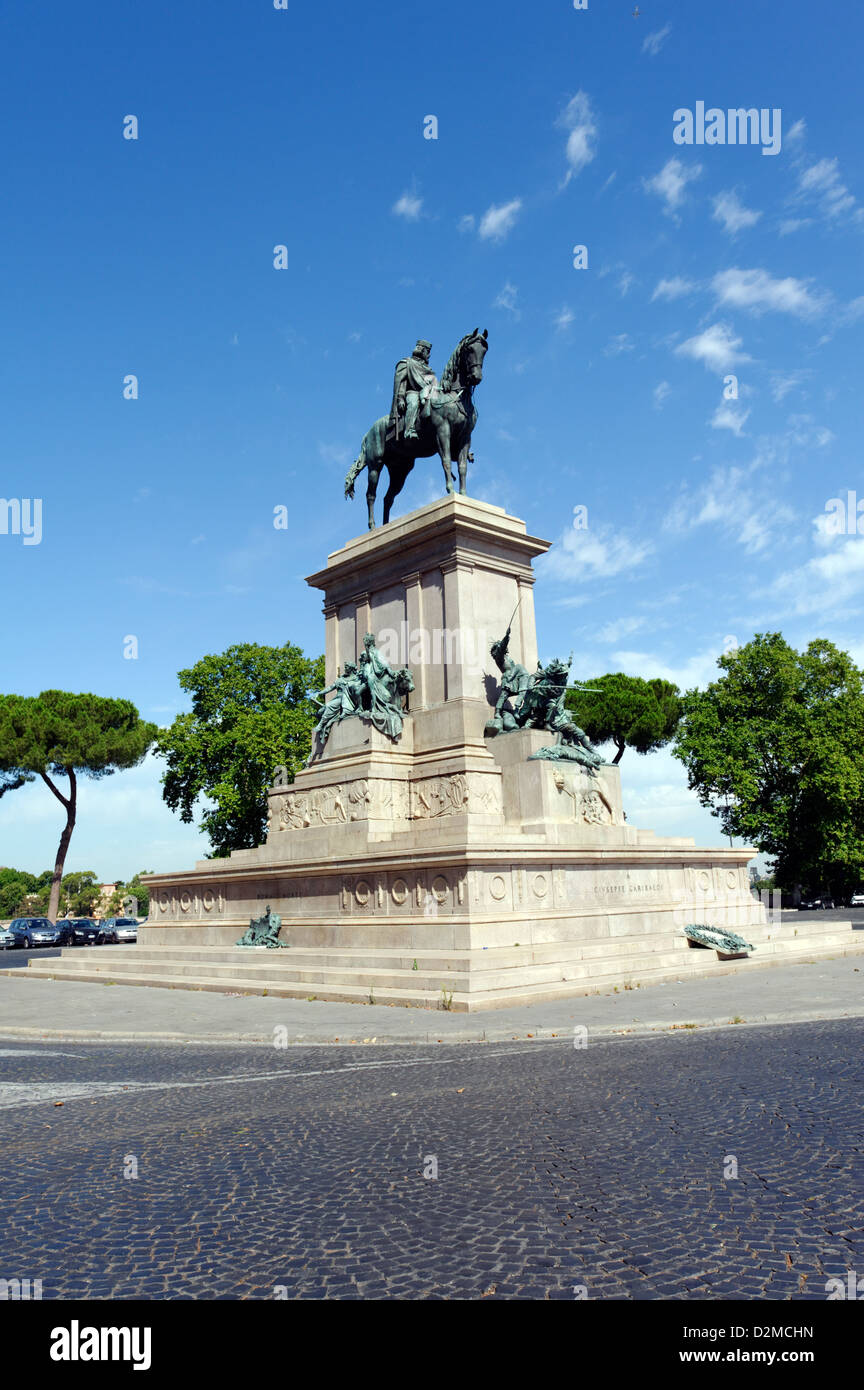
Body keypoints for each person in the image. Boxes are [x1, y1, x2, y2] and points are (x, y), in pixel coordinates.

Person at [388, 339, 437, 441]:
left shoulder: (428, 369)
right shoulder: (407, 363)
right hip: (412, 393)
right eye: (427, 352)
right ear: (422, 351)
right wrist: (400, 398)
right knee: (414, 403)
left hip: (427, 393)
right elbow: (401, 382)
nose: (428, 355)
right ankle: (409, 430)